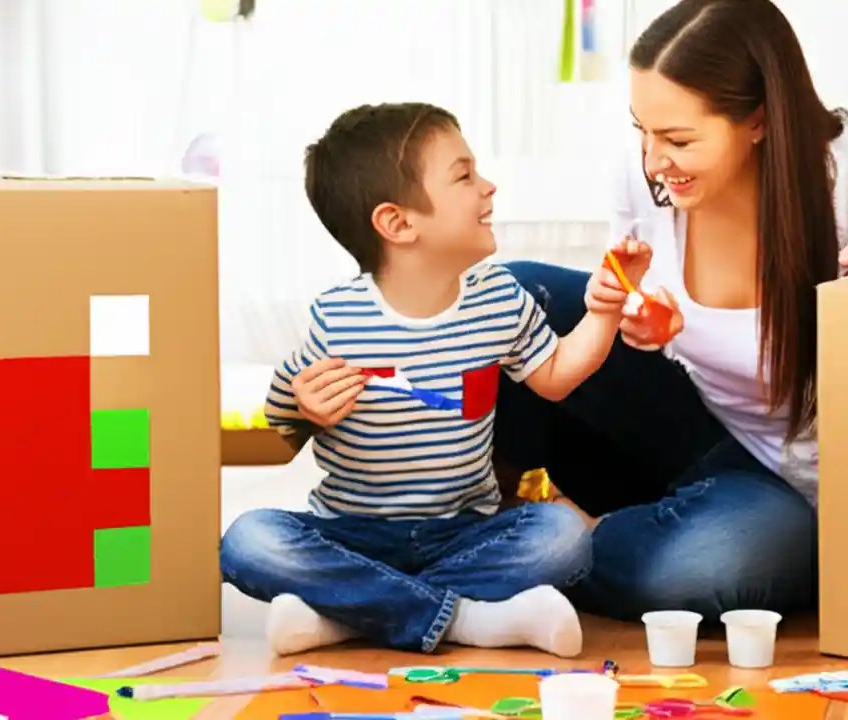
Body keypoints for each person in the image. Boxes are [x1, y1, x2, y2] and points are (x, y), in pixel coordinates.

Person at [492, 0, 848, 622]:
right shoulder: (645, 179)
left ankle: (546, 550)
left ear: (759, 122)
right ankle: (497, 523)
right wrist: (625, 316)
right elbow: (630, 309)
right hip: (691, 432)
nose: (653, 158)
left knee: (715, 568)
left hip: (798, 491)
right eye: (642, 129)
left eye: (679, 138)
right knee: (517, 296)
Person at [218, 101, 646, 658]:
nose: (488, 187)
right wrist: (304, 405)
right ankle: (469, 619)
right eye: (464, 176)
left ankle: (347, 615)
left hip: (464, 531)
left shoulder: (497, 299)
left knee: (562, 538)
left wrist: (605, 311)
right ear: (398, 223)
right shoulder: (339, 316)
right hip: (352, 534)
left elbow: (557, 376)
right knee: (248, 541)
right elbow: (282, 415)